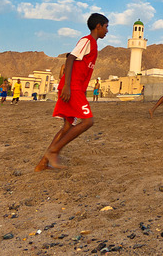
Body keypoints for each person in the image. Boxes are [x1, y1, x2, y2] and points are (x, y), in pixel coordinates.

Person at [36, 13, 109, 171]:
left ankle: (42, 164)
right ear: (98, 26)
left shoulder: (94, 46)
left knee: (68, 127)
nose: (107, 30)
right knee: (88, 121)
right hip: (72, 88)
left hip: (77, 89)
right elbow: (70, 58)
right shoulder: (86, 41)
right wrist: (68, 86)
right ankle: (53, 151)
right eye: (106, 26)